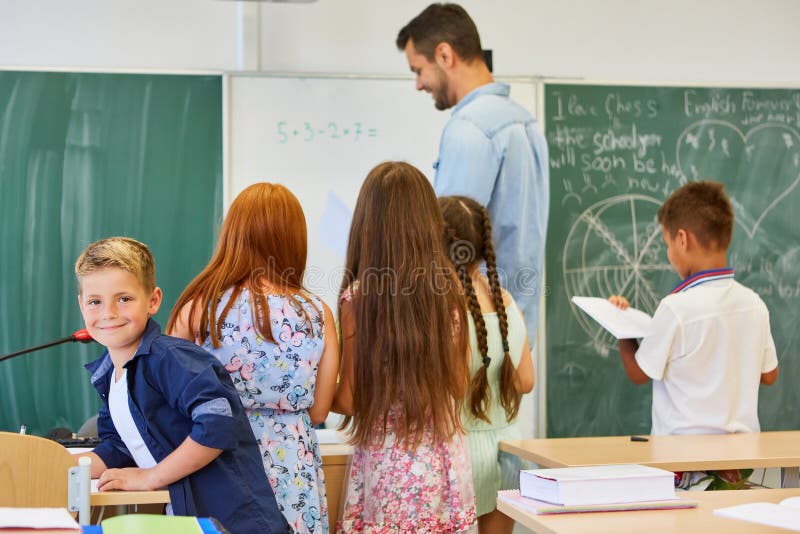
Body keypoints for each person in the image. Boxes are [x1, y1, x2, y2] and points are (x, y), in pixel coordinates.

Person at [75, 237, 289, 533]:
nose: (108, 313)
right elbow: (119, 446)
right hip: (189, 519)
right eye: (95, 302)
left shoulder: (171, 358)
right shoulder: (110, 374)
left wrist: (151, 477)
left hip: (234, 523)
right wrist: (62, 467)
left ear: (153, 300)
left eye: (124, 299)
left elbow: (217, 424)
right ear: (81, 305)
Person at [167, 183, 339, 533]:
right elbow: (320, 411)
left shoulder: (198, 307)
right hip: (293, 470)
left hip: (217, 459)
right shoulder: (316, 313)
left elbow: (167, 396)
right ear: (294, 240)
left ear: (232, 234)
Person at [332, 161, 476, 532]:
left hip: (387, 469)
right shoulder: (449, 294)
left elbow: (349, 401)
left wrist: (315, 389)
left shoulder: (359, 299)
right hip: (443, 467)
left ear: (367, 226)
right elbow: (459, 385)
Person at [609, 181, 779, 490]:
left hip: (684, 465)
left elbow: (638, 372)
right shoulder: (754, 304)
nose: (668, 253)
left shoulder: (675, 308)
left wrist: (621, 328)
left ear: (682, 239)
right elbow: (769, 375)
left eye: (667, 244)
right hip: (741, 465)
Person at [396, 3, 549, 344]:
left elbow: (447, 242)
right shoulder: (526, 122)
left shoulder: (470, 129)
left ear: (444, 55)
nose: (418, 85)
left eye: (418, 70)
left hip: (474, 331)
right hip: (515, 327)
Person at [440, 195, 534, 533]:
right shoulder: (506, 302)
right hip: (508, 449)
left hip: (458, 451)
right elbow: (525, 381)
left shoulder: (443, 309)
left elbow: (450, 386)